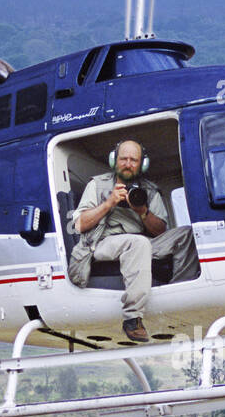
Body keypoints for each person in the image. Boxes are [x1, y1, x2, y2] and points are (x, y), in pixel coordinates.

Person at [68, 139, 198, 342]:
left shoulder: (148, 191)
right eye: (124, 159)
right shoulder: (98, 184)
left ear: (141, 164)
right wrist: (109, 203)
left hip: (140, 242)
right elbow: (80, 224)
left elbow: (160, 230)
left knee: (186, 234)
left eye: (133, 160)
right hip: (102, 242)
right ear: (114, 161)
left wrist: (143, 212)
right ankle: (132, 318)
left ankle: (177, 294)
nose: (128, 164)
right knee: (138, 243)